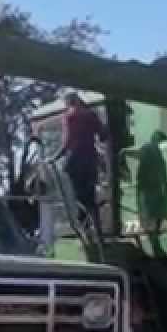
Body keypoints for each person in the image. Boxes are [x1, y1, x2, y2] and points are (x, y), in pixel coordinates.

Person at [54, 92, 106, 232]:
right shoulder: (91, 115)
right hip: (90, 160)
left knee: (77, 194)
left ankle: (83, 224)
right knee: (90, 195)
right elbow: (102, 135)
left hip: (75, 160)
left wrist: (55, 157)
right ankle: (96, 226)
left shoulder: (69, 116)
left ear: (68, 103)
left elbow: (67, 141)